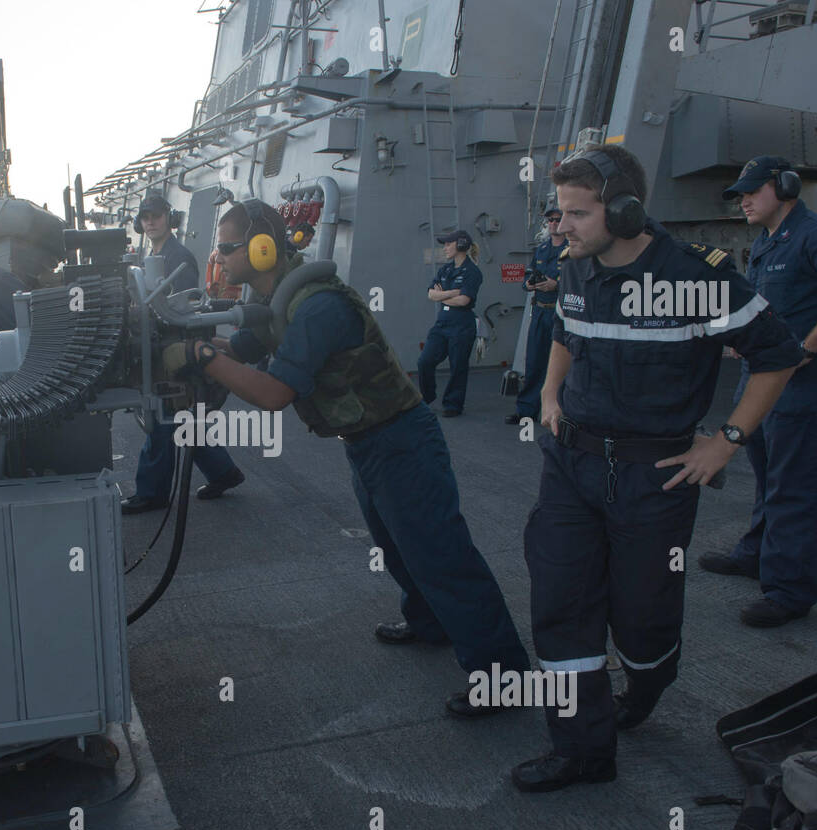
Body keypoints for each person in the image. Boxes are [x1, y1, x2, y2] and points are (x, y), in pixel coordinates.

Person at [513, 145, 802, 793]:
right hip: (571, 466)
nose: (562, 227)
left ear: (623, 211)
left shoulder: (699, 276)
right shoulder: (578, 266)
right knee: (560, 602)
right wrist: (550, 395)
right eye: (559, 213)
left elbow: (777, 356)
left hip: (655, 479)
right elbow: (565, 330)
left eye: (576, 214)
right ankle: (582, 748)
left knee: (643, 619)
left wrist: (726, 440)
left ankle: (644, 685)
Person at [167, 200, 529, 715]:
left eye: (226, 248)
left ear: (261, 248)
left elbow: (273, 394)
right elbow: (246, 347)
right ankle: (429, 623)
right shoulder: (278, 299)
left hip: (399, 440)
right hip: (368, 441)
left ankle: (504, 677)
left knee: (442, 555)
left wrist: (201, 357)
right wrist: (195, 341)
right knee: (398, 547)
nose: (219, 258)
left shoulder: (315, 306)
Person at [699, 156, 817, 627]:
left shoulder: (816, 234)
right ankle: (756, 555)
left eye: (753, 190)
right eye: (739, 194)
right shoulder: (767, 242)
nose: (744, 200)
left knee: (795, 487)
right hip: (761, 381)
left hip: (801, 387)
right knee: (769, 478)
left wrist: (806, 349)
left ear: (787, 186)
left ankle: (789, 590)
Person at [122, 194, 244, 513]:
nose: (150, 221)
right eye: (145, 216)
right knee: (181, 419)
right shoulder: (156, 254)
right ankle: (224, 472)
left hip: (174, 349)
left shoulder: (179, 257)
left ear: (169, 219)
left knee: (161, 416)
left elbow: (184, 308)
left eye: (157, 215)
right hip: (160, 344)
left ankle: (151, 493)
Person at [506, 207, 566, 425]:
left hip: (562, 313)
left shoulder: (573, 251)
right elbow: (528, 277)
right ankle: (527, 412)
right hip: (540, 311)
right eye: (549, 220)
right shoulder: (541, 250)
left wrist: (557, 285)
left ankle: (562, 413)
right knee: (534, 363)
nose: (552, 224)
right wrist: (529, 284)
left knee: (564, 365)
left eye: (557, 220)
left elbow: (581, 282)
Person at [419, 230, 482, 417]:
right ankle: (427, 395)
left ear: (461, 245)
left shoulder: (472, 272)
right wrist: (452, 293)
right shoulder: (445, 270)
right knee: (425, 361)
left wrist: (442, 296)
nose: (445, 248)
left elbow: (463, 301)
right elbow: (431, 294)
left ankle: (453, 404)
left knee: (458, 366)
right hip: (442, 323)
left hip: (462, 323)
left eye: (448, 244)